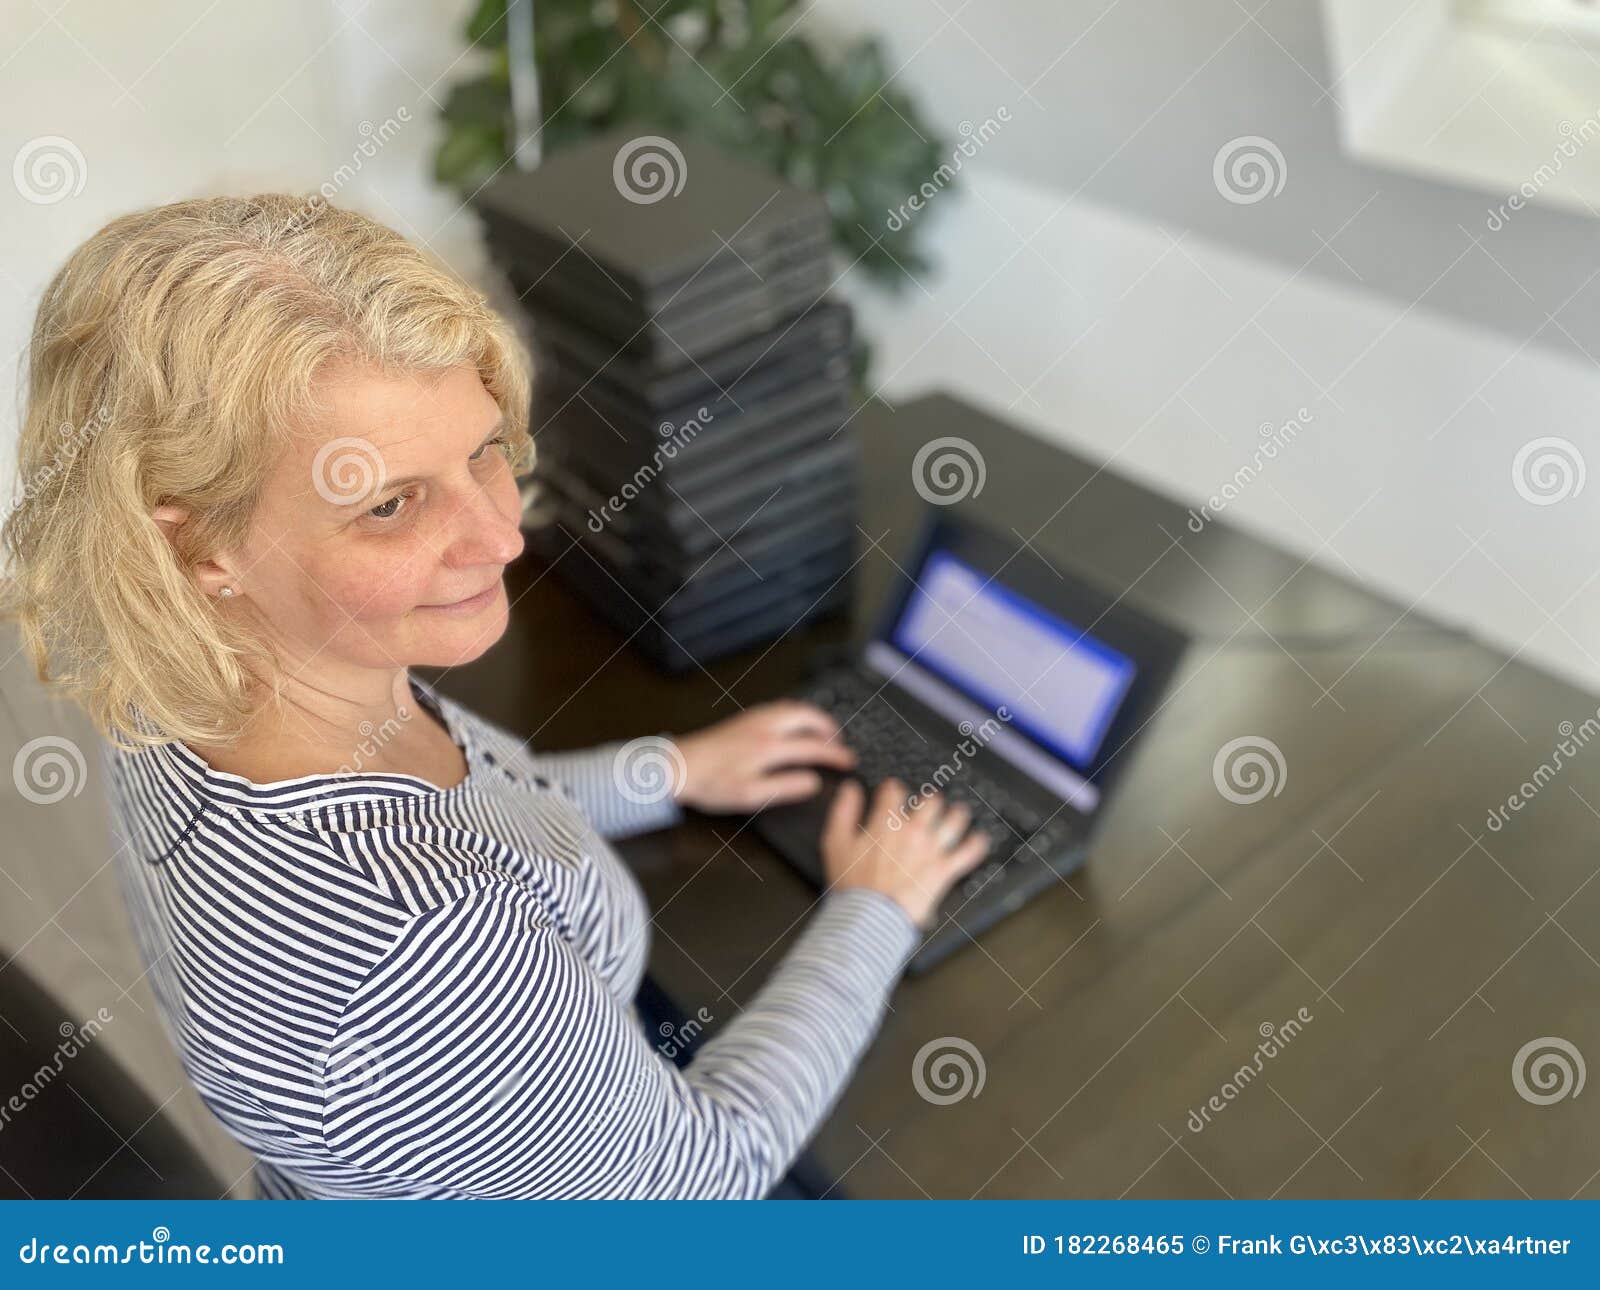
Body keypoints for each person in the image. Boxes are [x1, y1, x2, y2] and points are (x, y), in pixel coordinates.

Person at [0, 194, 991, 1199]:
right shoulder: (420, 944)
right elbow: (701, 1178)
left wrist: (670, 770)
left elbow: (472, 806)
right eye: (389, 505)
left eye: (481, 453)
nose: (501, 538)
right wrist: (874, 907)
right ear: (195, 545)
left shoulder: (186, 689)